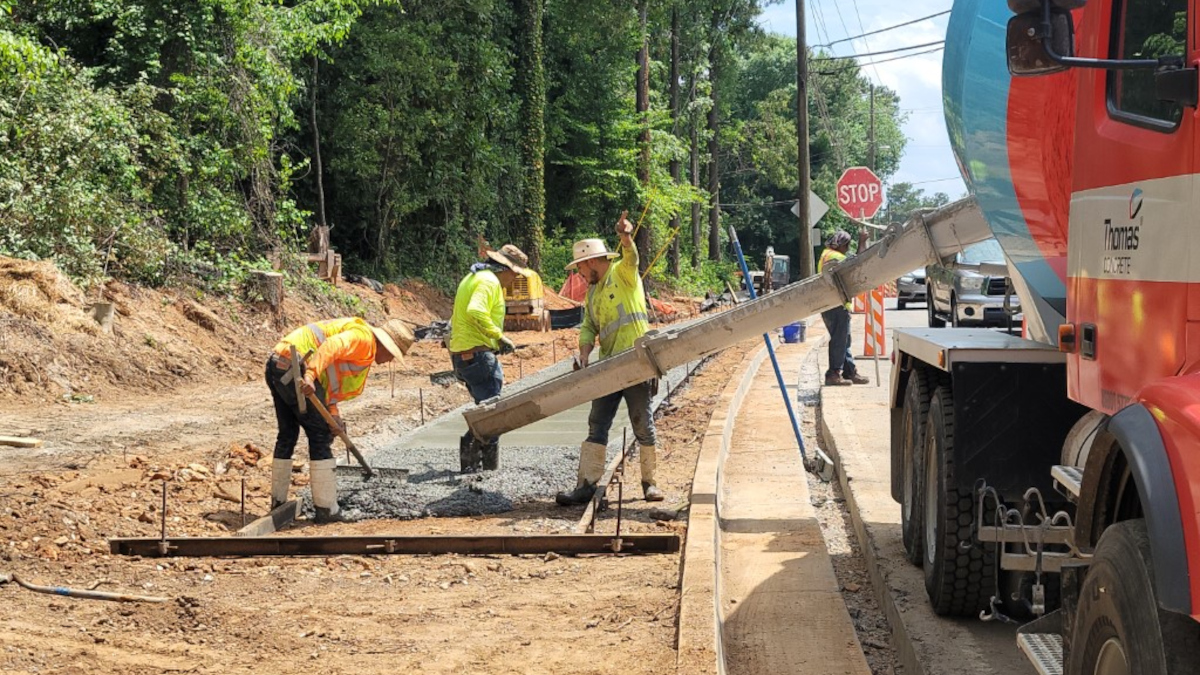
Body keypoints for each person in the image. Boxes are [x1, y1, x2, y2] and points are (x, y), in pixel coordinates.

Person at [556, 212, 665, 506]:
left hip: (636, 361)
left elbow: (632, 258)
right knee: (597, 423)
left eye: (580, 268)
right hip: (608, 366)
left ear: (592, 262)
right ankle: (586, 485)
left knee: (642, 422)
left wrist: (626, 237)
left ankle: (650, 483)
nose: (579, 274)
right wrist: (584, 351)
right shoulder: (592, 293)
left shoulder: (622, 273)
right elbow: (590, 325)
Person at [266, 317, 413, 523]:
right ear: (385, 345)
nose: (390, 360)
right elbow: (332, 346)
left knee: (288, 432)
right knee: (320, 435)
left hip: (277, 362)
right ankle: (326, 509)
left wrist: (334, 416)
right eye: (392, 355)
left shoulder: (365, 350)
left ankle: (278, 503)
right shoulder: (363, 339)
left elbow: (328, 384)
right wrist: (309, 374)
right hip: (296, 367)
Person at [450, 244, 528, 472]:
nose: (514, 280)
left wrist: (493, 342)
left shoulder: (473, 277)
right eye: (515, 274)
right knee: (493, 414)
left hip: (465, 354)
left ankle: (474, 464)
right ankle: (482, 467)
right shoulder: (489, 281)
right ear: (506, 269)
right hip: (476, 354)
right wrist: (499, 337)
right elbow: (475, 311)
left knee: (485, 409)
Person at [818, 230, 869, 386]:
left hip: (829, 303)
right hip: (837, 304)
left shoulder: (825, 254)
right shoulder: (837, 257)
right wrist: (862, 242)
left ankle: (849, 371)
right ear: (842, 245)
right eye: (847, 245)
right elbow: (858, 264)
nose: (847, 249)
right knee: (840, 340)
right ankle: (833, 374)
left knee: (844, 340)